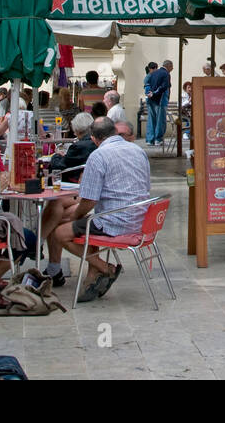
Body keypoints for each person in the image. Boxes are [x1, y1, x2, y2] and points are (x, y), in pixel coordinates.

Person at [40, 117, 151, 301]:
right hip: (141, 220)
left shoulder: (99, 156)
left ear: (94, 139)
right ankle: (92, 277)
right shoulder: (138, 151)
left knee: (60, 233)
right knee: (87, 224)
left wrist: (75, 217)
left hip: (115, 222)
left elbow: (89, 201)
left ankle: (105, 268)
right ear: (115, 132)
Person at [50, 111, 96, 177]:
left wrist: (56, 155)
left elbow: (59, 165)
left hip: (75, 178)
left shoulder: (78, 146)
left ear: (77, 130)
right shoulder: (96, 142)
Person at [144, 58, 172, 146]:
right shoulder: (166, 73)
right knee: (160, 120)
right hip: (160, 100)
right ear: (169, 66)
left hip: (150, 100)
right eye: (172, 67)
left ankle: (150, 140)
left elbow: (147, 84)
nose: (172, 69)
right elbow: (164, 87)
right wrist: (155, 93)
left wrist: (149, 93)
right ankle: (158, 139)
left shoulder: (153, 73)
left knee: (151, 120)